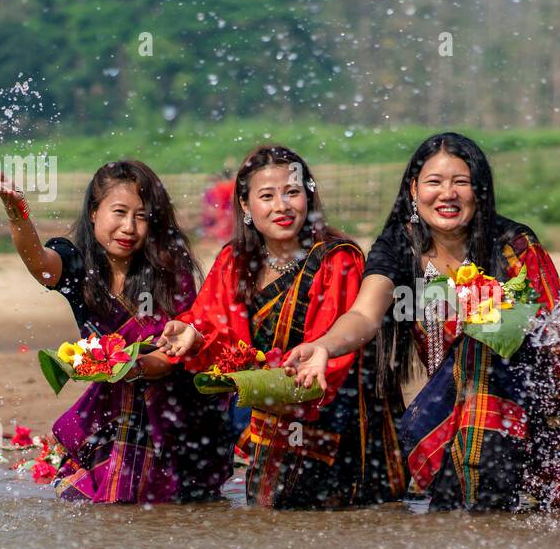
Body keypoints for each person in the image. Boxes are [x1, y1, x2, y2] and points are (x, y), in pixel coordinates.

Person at [286, 132, 560, 511]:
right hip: (446, 421)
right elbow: (365, 315)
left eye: (461, 182)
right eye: (434, 182)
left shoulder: (512, 243)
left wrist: (520, 315)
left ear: (479, 190)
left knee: (481, 355)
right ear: (414, 190)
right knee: (457, 517)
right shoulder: (400, 245)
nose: (447, 194)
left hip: (526, 414)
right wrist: (323, 346)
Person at [158, 146, 404, 509]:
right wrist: (192, 334)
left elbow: (331, 353)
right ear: (244, 205)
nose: (282, 206)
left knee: (328, 520)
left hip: (330, 413)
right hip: (266, 406)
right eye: (267, 196)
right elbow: (213, 325)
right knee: (271, 522)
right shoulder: (233, 261)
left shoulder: (336, 259)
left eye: (292, 193)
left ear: (309, 195)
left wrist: (283, 379)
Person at [0, 160, 230, 503]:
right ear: (93, 212)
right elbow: (40, 264)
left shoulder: (170, 270)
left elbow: (179, 346)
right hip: (112, 410)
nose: (128, 227)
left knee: (175, 502)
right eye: (119, 212)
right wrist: (17, 212)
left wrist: (140, 366)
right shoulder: (77, 264)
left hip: (174, 409)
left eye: (142, 216)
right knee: (102, 500)